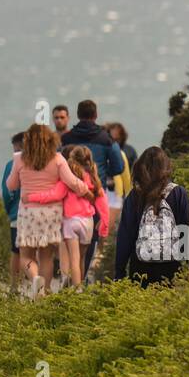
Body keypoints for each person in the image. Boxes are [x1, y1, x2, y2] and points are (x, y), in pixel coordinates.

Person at [6, 123, 89, 298]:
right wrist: (87, 191)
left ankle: (35, 278)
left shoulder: (19, 158)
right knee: (46, 257)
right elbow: (72, 182)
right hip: (51, 214)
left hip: (28, 214)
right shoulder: (58, 159)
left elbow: (11, 185)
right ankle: (47, 291)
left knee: (26, 256)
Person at [23, 145, 110, 289]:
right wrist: (104, 225)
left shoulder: (67, 180)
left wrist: (32, 197)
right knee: (81, 259)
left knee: (73, 260)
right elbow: (103, 202)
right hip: (87, 221)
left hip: (70, 222)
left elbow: (53, 195)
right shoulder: (93, 179)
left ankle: (77, 291)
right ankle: (80, 285)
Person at [61, 101, 125, 279]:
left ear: (78, 115)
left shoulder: (66, 138)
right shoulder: (106, 139)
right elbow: (119, 166)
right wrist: (102, 176)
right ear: (95, 115)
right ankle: (80, 281)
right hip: (94, 198)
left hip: (68, 198)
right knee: (89, 242)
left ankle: (70, 279)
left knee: (68, 243)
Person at [114, 146, 189, 287]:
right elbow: (187, 230)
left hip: (140, 267)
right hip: (172, 265)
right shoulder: (179, 193)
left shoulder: (134, 196)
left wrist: (119, 271)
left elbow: (125, 236)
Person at [1, 131, 25, 290]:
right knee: (37, 252)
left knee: (16, 252)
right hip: (40, 213)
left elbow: (6, 192)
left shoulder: (11, 164)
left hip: (17, 214)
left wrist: (10, 211)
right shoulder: (40, 163)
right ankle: (38, 282)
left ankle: (14, 286)